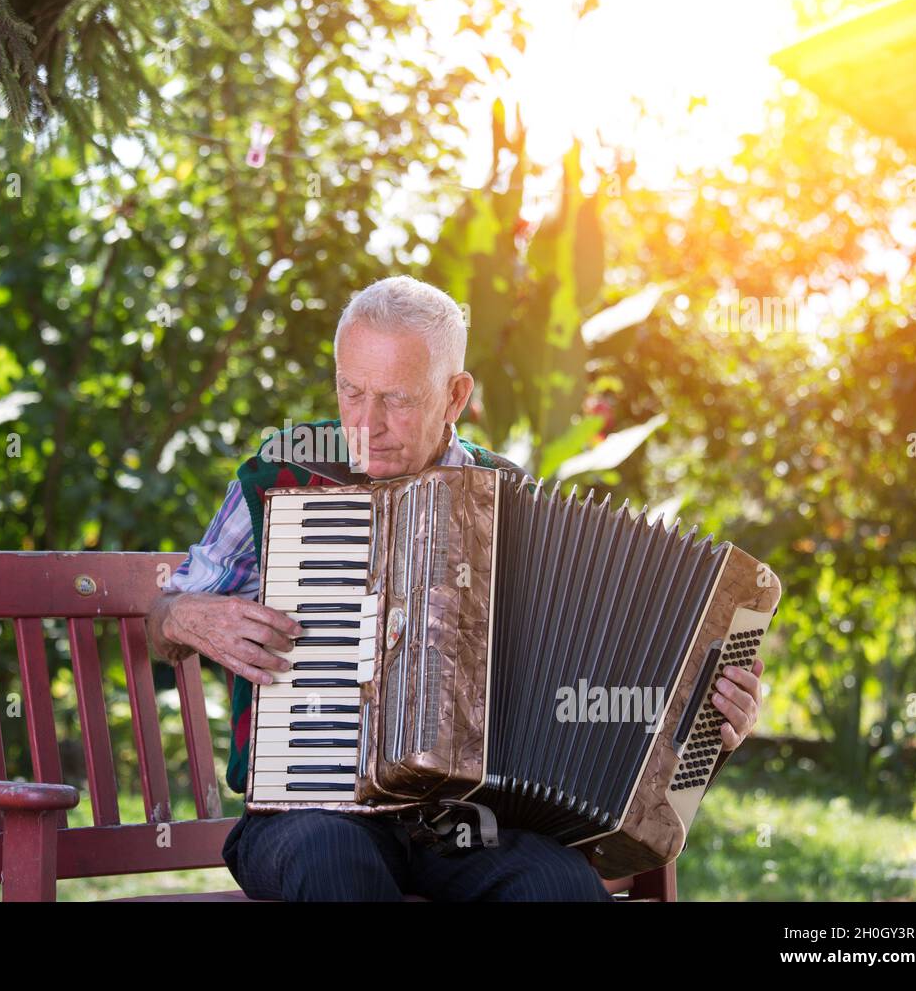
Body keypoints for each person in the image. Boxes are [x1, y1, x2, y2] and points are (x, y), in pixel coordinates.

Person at [146, 275, 763, 901]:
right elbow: (162, 622)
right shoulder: (285, 474)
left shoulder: (507, 502)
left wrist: (704, 723)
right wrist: (179, 617)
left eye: (398, 400)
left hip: (465, 825)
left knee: (559, 888)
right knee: (334, 864)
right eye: (351, 391)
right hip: (307, 816)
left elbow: (567, 691)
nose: (367, 424)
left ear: (455, 395)